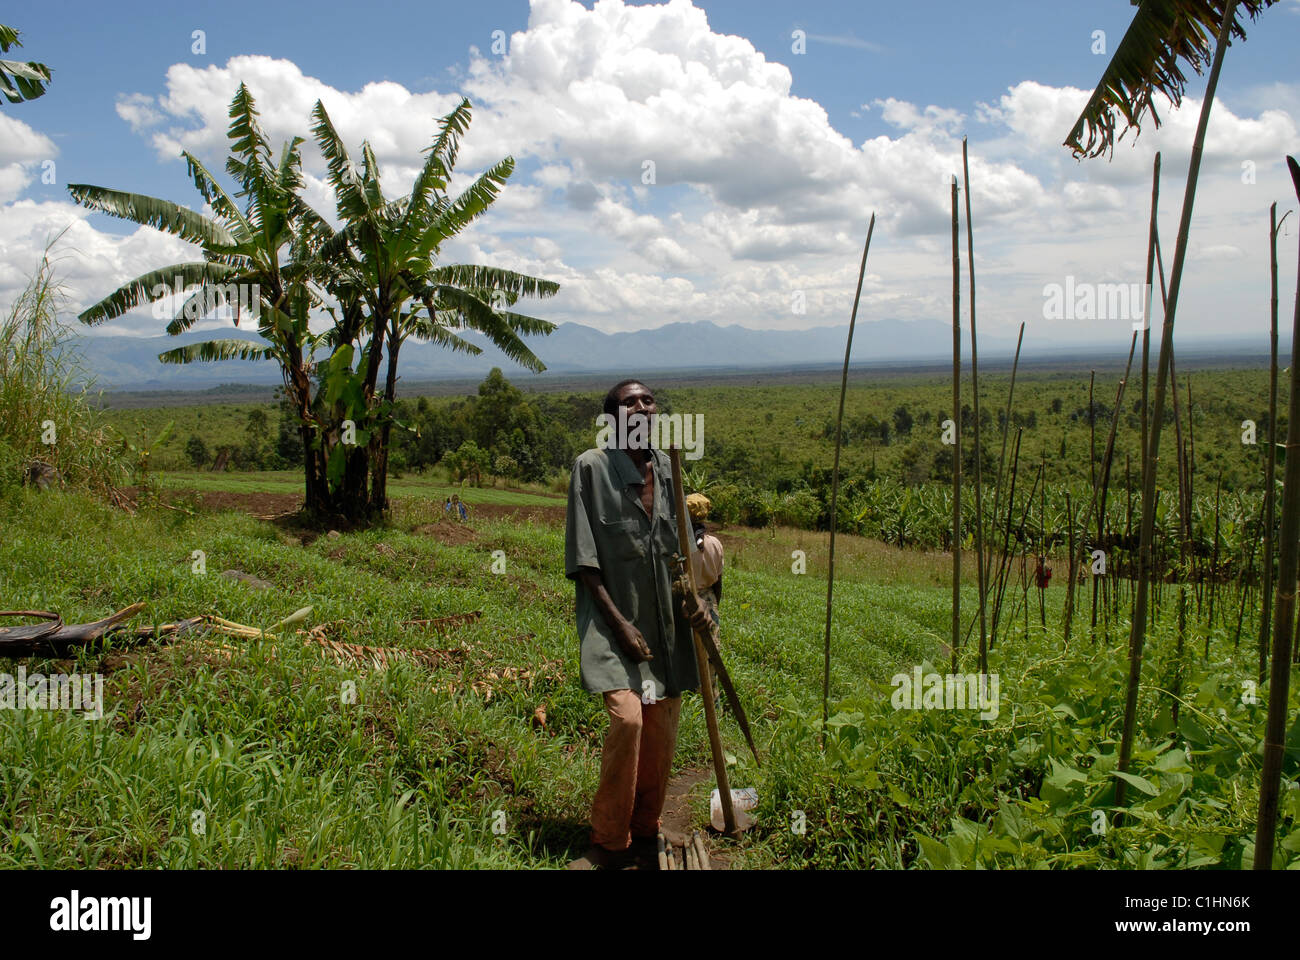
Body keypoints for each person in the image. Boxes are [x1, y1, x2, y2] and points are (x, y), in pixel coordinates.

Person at [564, 378, 709, 870]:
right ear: (612, 419)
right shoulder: (591, 469)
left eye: (648, 400)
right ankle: (608, 841)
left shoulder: (669, 471)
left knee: (661, 726)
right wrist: (621, 626)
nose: (642, 406)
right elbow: (585, 563)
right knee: (628, 720)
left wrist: (700, 603)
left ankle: (645, 828)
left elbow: (686, 554)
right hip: (613, 623)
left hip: (665, 628)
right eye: (630, 402)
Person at [685, 492, 724, 704]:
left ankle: (690, 700)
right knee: (710, 655)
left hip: (686, 601)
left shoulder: (680, 544)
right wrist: (715, 606)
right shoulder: (715, 544)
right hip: (709, 601)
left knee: (687, 653)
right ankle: (710, 700)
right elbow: (718, 582)